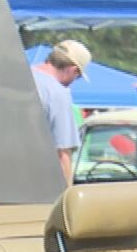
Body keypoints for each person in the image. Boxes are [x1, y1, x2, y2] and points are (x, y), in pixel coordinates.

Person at [31, 39, 92, 183]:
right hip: (31, 185)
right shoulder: (57, 93)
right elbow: (62, 155)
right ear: (73, 70)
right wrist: (66, 201)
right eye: (77, 77)